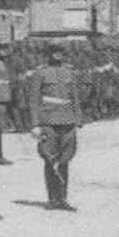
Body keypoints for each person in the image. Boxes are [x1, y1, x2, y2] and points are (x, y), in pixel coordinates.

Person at [28, 41, 83, 212]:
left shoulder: (69, 71)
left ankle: (63, 198)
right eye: (54, 52)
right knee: (50, 158)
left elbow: (75, 97)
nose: (57, 55)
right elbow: (34, 100)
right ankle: (52, 198)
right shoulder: (41, 73)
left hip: (67, 120)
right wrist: (35, 124)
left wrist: (78, 118)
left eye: (60, 52)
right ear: (49, 54)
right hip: (48, 121)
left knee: (65, 159)